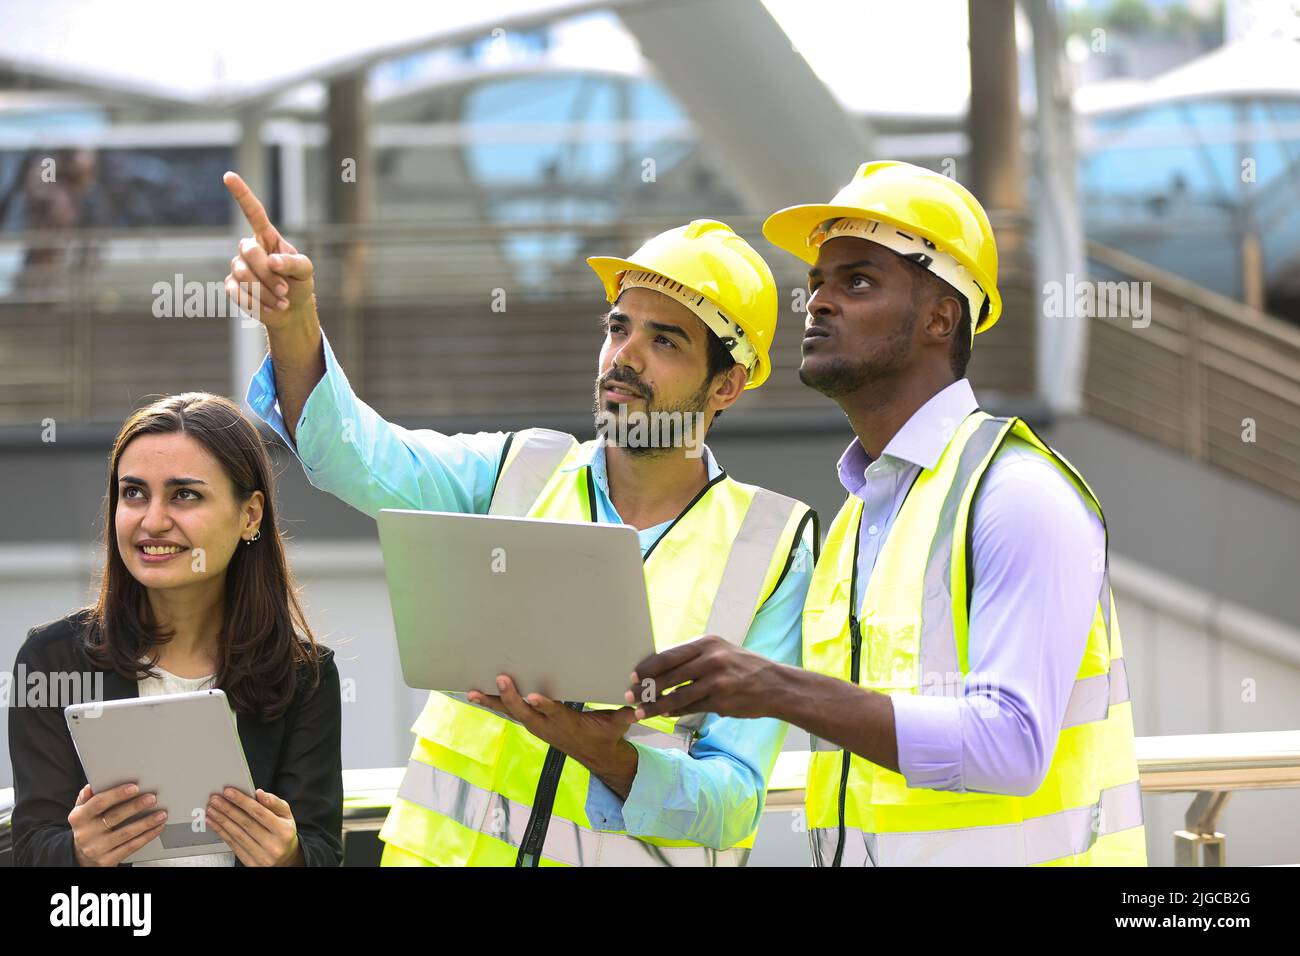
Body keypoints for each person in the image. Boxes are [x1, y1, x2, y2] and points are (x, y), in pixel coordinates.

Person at [221, 171, 816, 866]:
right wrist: (294, 327)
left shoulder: (772, 547)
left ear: (727, 384)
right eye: (619, 328)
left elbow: (735, 799)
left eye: (665, 342)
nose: (623, 357)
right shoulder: (519, 472)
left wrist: (610, 758)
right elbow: (353, 457)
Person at [628, 161, 1147, 866]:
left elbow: (1013, 746)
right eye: (816, 284)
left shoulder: (1017, 494)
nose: (817, 303)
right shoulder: (855, 522)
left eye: (857, 281)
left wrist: (777, 688)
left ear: (941, 317)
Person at [9, 392, 343, 867]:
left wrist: (288, 858)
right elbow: (31, 850)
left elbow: (323, 852)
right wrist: (79, 854)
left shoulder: (305, 677)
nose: (153, 520)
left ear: (250, 515)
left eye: (185, 494)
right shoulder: (51, 660)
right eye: (134, 493)